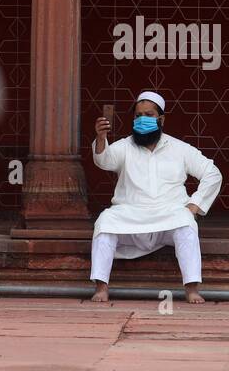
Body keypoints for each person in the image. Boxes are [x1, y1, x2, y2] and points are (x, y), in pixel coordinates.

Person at [90, 91, 222, 304]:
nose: (143, 119)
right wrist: (101, 137)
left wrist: (195, 204)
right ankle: (101, 287)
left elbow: (212, 173)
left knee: (186, 223)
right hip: (130, 214)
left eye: (149, 115)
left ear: (161, 119)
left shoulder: (179, 148)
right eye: (138, 115)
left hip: (168, 216)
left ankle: (192, 289)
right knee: (105, 222)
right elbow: (104, 161)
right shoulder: (125, 146)